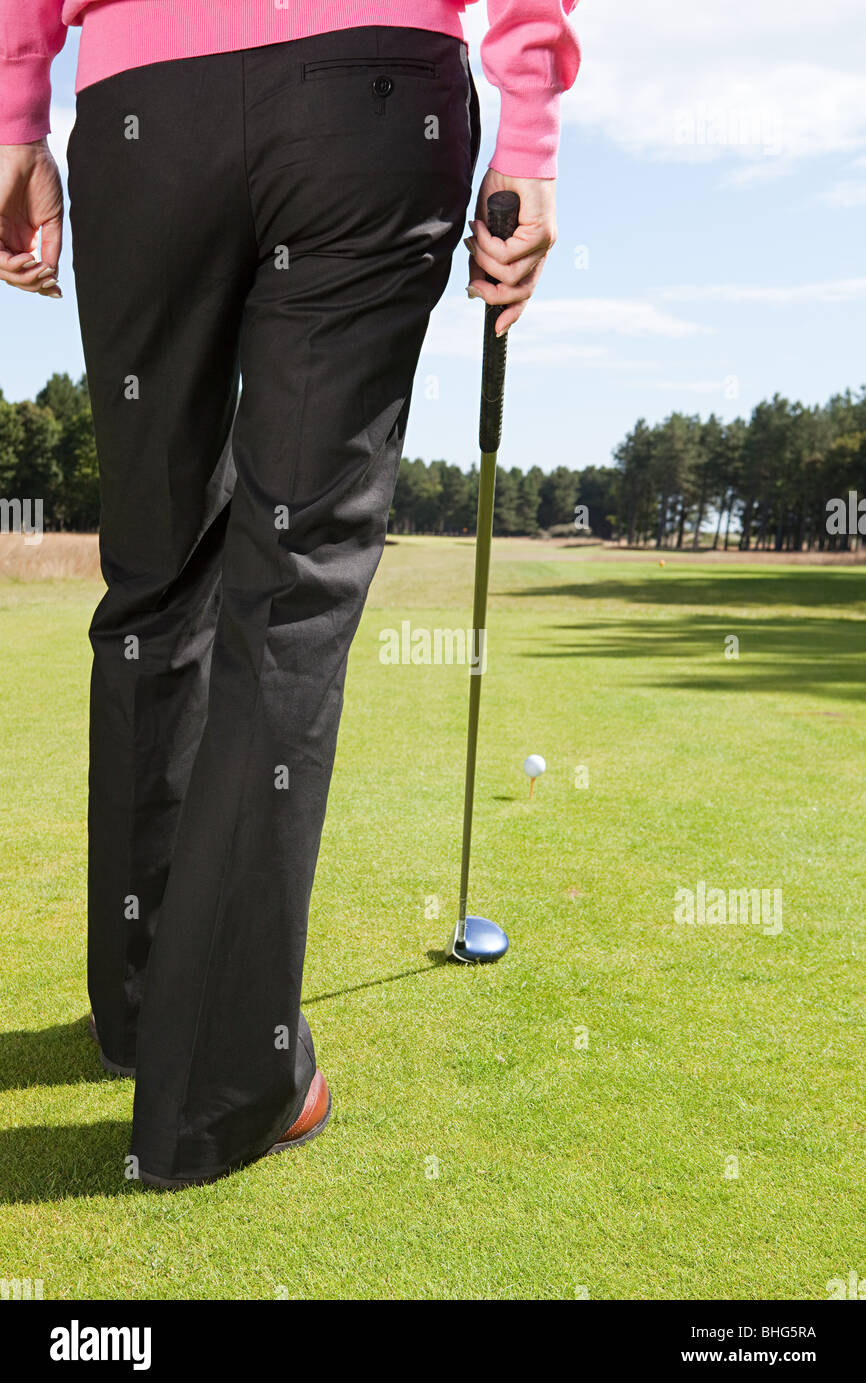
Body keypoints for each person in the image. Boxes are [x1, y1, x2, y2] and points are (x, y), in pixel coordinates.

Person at [0, 1, 580, 1189]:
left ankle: (146, 1007)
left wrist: (14, 115)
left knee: (154, 580)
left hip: (143, 114)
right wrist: (529, 133)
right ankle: (215, 1094)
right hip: (364, 99)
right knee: (285, 592)